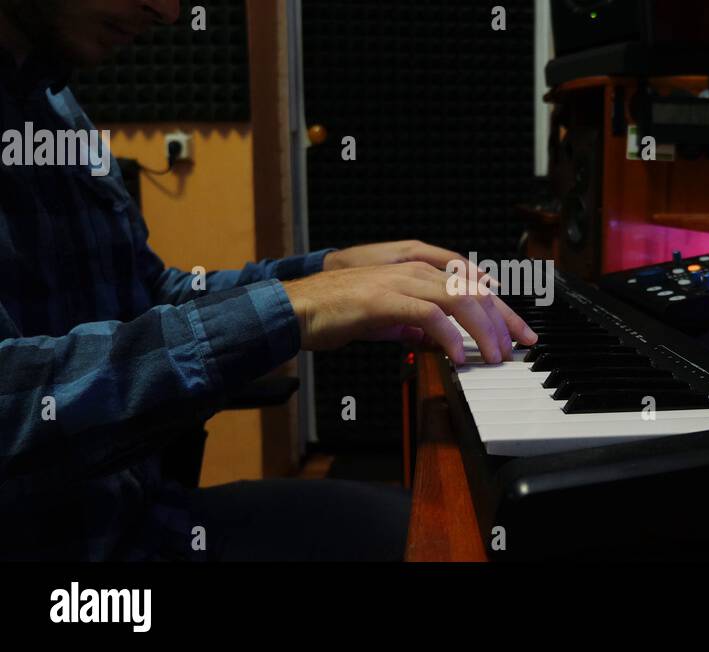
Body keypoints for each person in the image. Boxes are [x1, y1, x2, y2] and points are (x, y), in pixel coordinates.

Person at [0, 0, 536, 561]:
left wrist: (325, 274)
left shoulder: (54, 102)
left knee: (448, 535)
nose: (169, 11)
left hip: (145, 518)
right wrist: (292, 310)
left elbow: (149, 296)